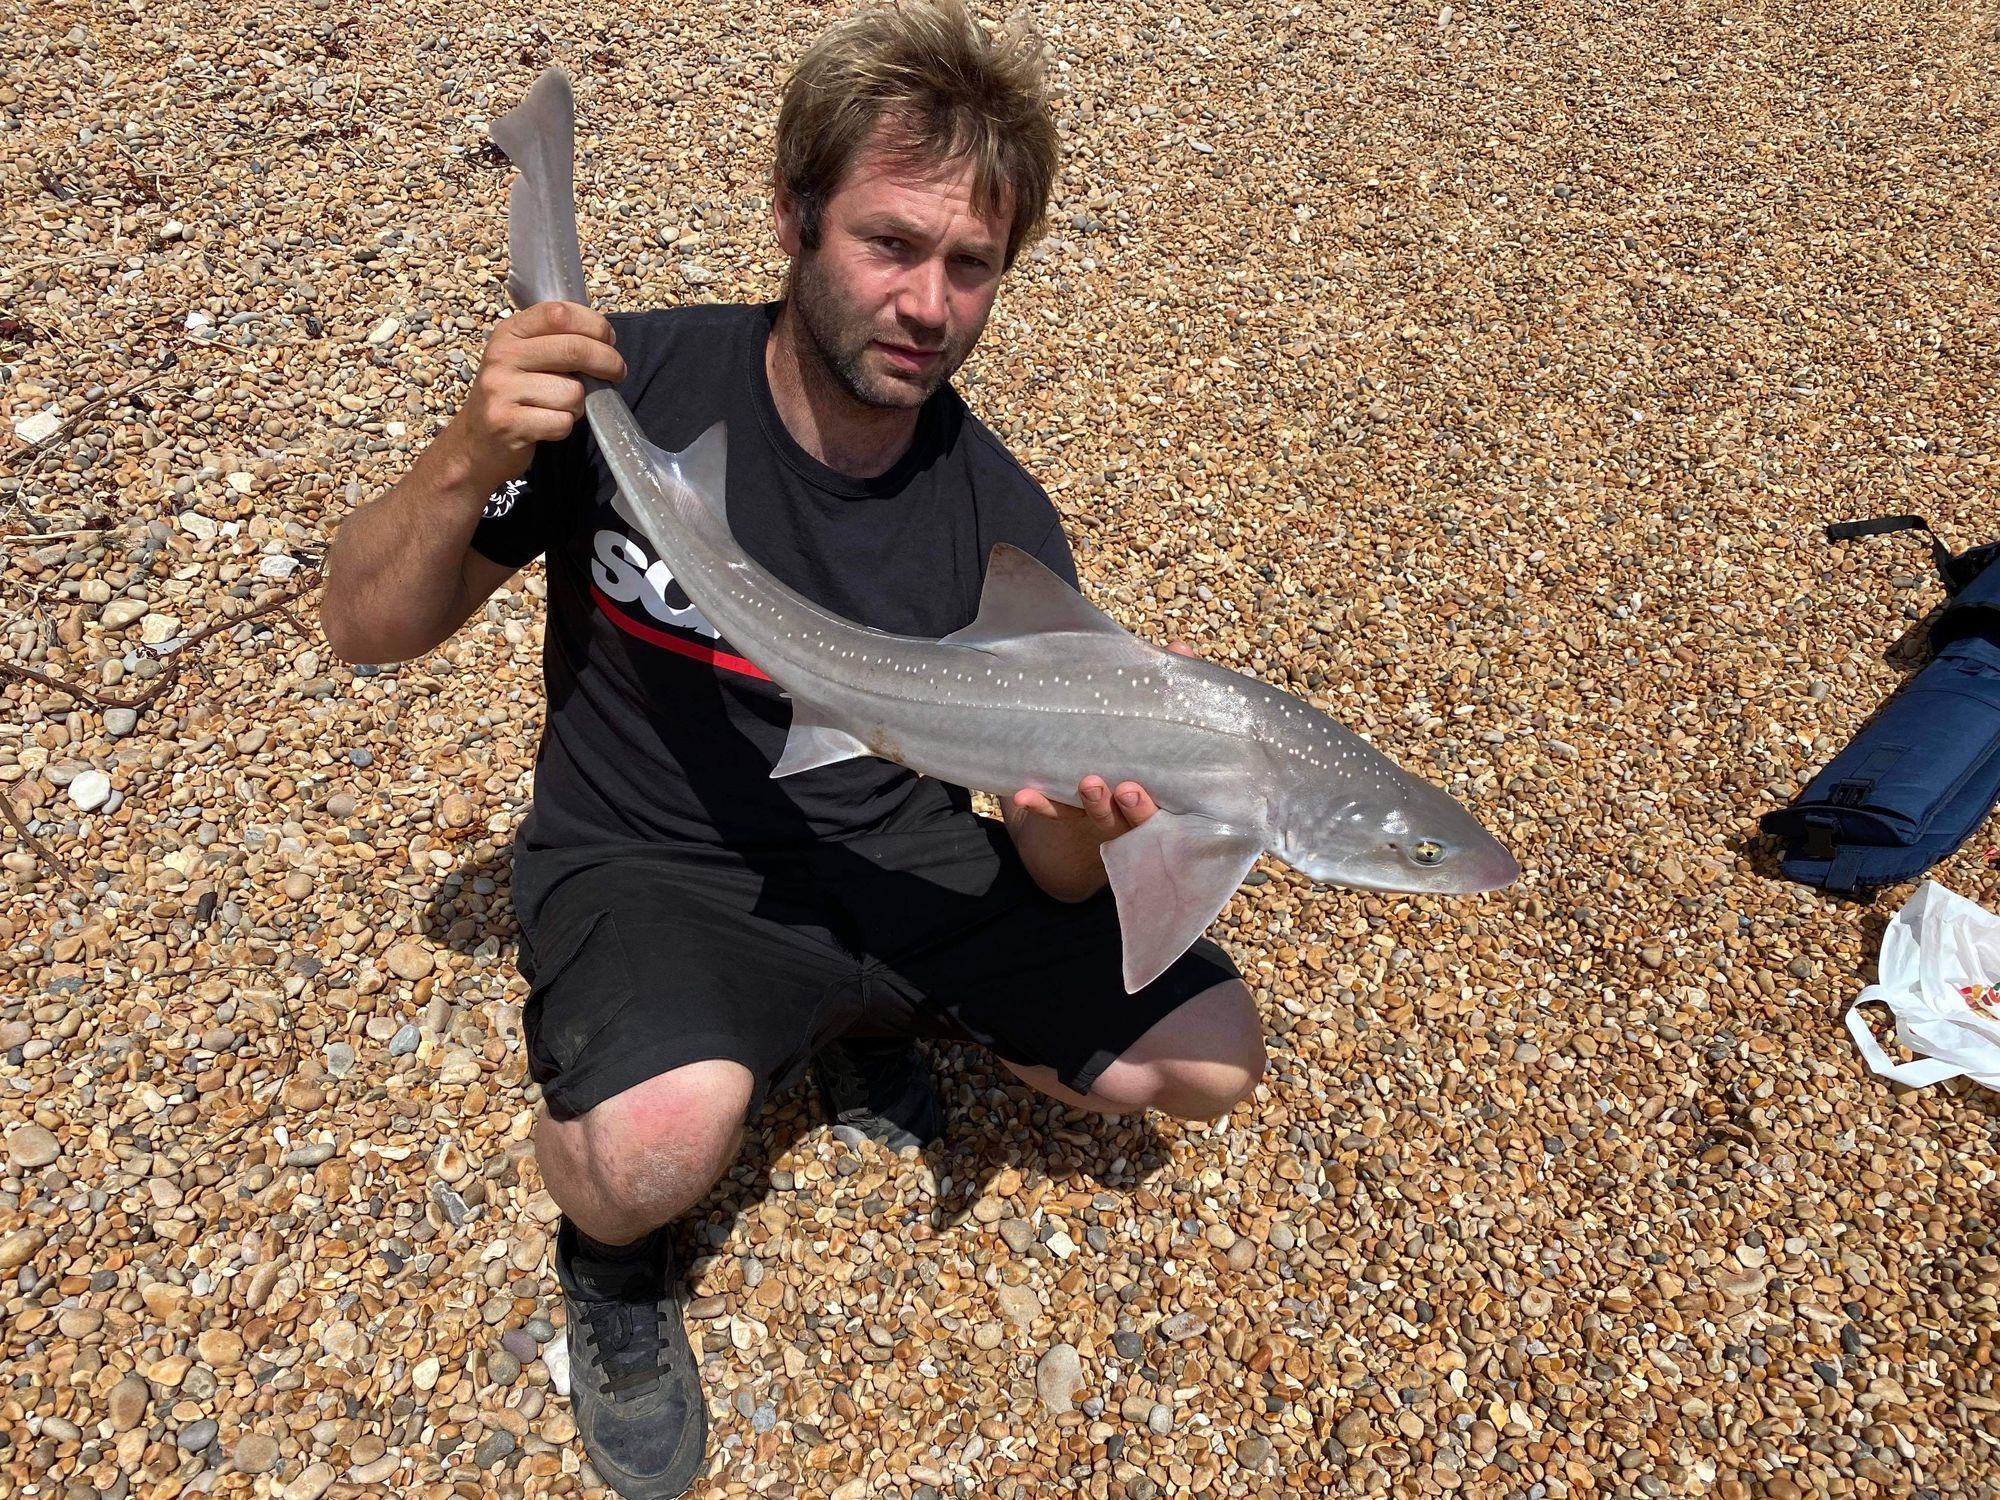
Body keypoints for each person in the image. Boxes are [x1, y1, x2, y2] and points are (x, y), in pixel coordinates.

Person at [320, 3, 1266, 1495]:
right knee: (647, 1160)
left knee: (1208, 1061)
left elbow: (1048, 865)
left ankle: (849, 1022)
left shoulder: (999, 525)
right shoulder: (632, 394)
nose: (928, 303)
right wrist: (464, 455)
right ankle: (614, 1272)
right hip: (658, 853)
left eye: (972, 266)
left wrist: (1079, 830)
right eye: (891, 243)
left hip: (888, 851)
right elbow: (365, 629)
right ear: (791, 218)